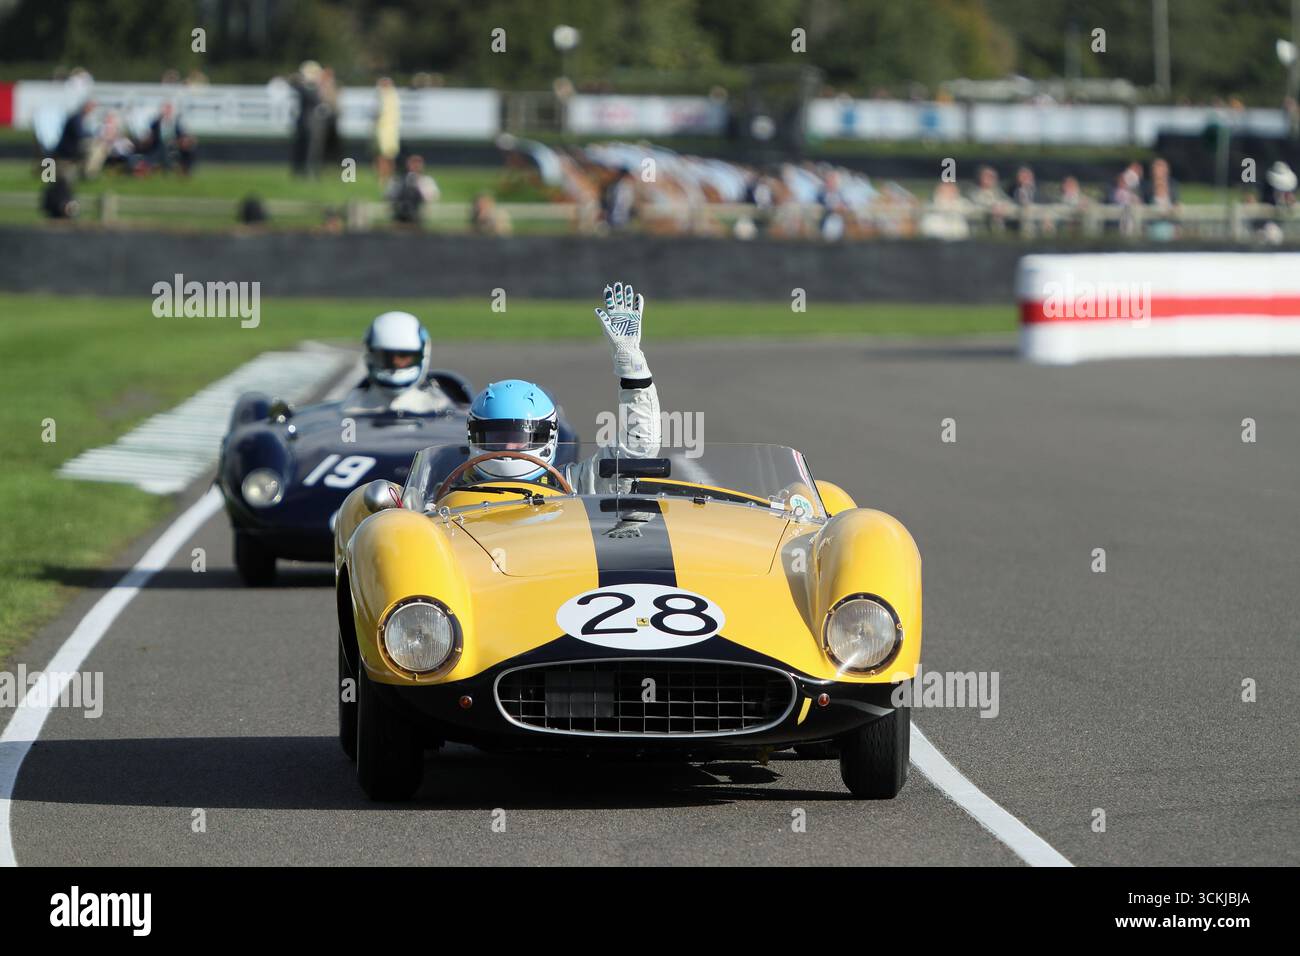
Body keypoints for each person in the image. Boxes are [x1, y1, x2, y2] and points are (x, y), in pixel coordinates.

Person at [461, 281, 659, 494]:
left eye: (519, 439)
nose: (509, 450)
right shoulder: (447, 493)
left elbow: (638, 448)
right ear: (475, 437)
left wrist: (631, 365)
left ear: (548, 437)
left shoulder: (574, 485)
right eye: (498, 438)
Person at [341, 311, 452, 414]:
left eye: (403, 356)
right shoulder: (352, 407)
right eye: (386, 357)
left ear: (423, 355)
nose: (395, 363)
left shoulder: (440, 405)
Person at [388, 154, 440, 224]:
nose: (416, 166)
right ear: (408, 164)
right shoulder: (399, 180)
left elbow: (432, 196)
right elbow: (390, 195)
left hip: (418, 216)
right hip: (400, 216)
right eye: (413, 163)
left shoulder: (427, 181)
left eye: (418, 163)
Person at [373, 77, 401, 185]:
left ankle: (384, 177)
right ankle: (387, 177)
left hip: (385, 130)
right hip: (389, 130)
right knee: (388, 155)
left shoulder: (386, 96)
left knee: (384, 155)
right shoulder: (393, 95)